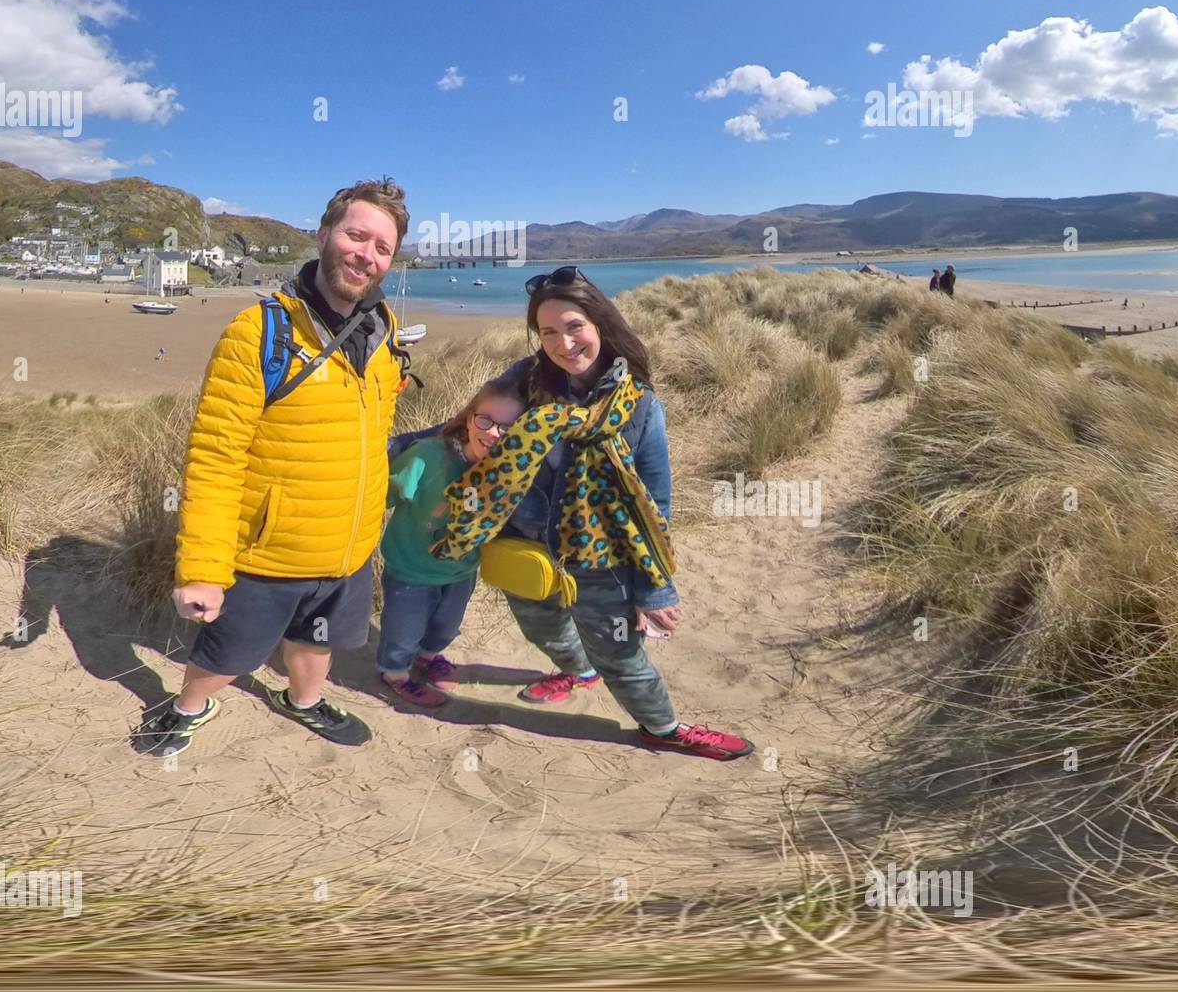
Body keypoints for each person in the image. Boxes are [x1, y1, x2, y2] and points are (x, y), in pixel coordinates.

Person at [132, 179, 410, 758]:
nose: (366, 254)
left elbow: (374, 435)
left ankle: (301, 702)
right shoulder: (258, 333)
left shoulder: (383, 334)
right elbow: (214, 456)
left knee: (318, 642)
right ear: (324, 234)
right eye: (356, 235)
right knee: (227, 652)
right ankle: (188, 707)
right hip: (268, 553)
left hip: (349, 549)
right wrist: (203, 567)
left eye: (382, 247)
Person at [430, 266, 755, 761]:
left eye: (574, 325)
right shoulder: (525, 380)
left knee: (620, 655)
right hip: (524, 542)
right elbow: (470, 422)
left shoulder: (641, 406)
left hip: (601, 554)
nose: (564, 343)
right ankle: (575, 670)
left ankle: (662, 728)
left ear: (600, 322)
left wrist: (654, 588)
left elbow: (654, 501)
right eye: (548, 332)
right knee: (540, 627)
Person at [372, 383, 522, 709]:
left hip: (461, 570)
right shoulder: (427, 456)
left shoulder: (507, 473)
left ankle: (428, 657)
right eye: (485, 421)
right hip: (410, 569)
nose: (495, 433)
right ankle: (394, 673)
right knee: (403, 629)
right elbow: (380, 497)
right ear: (469, 419)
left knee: (446, 625)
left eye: (508, 427)